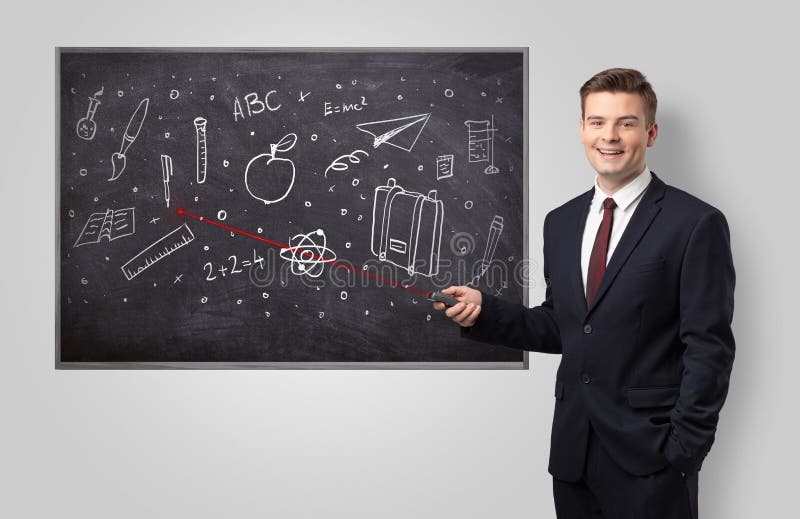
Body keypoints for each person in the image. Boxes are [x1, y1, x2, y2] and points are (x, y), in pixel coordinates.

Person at [434, 68, 735, 519]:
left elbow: (709, 347)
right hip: (574, 454)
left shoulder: (694, 223)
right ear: (582, 129)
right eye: (597, 122)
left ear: (651, 133)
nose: (609, 136)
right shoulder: (561, 222)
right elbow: (568, 326)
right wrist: (485, 312)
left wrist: (683, 449)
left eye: (626, 123)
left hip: (653, 458)